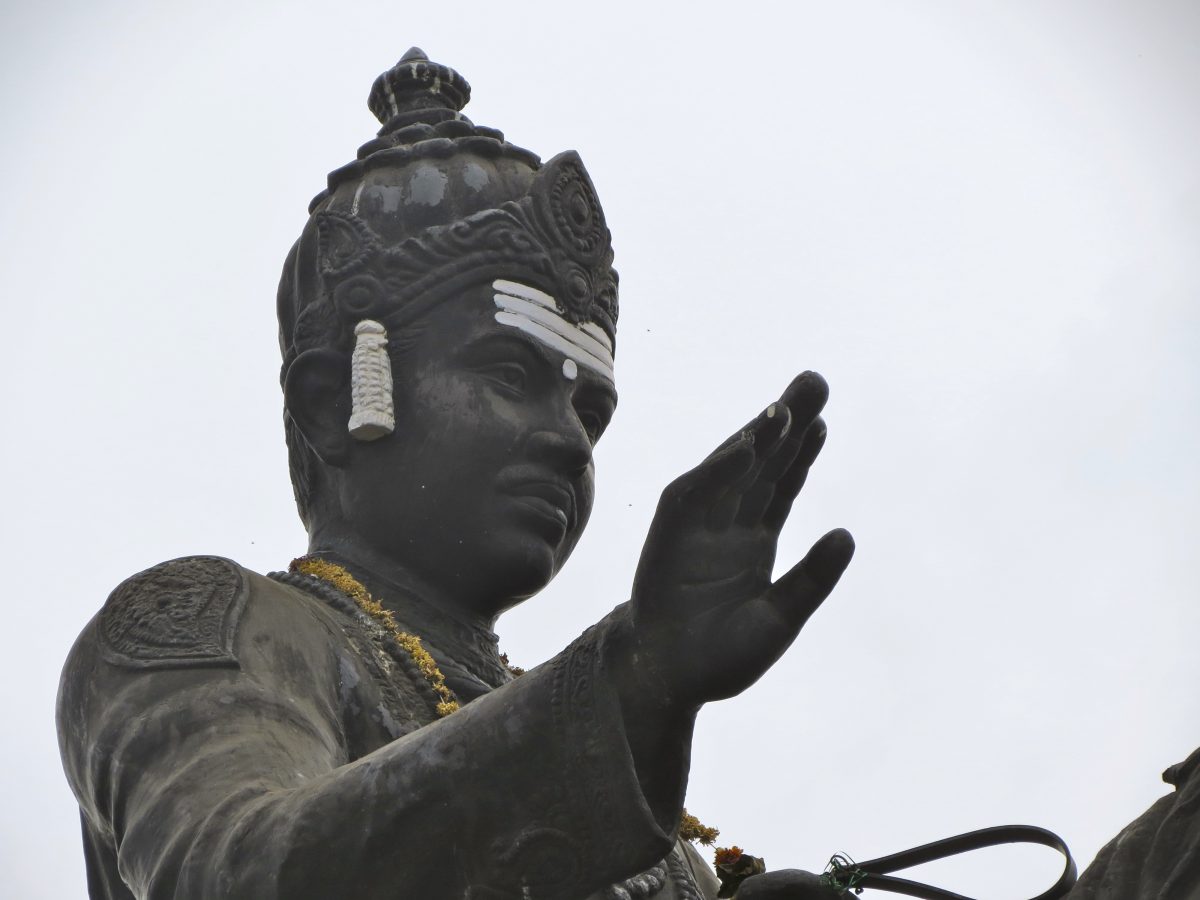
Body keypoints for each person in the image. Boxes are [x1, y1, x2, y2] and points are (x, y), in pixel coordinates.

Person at [56, 49, 856, 899]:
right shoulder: (208, 625)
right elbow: (240, 876)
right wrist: (637, 673)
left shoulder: (616, 757)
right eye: (511, 378)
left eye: (590, 416)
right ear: (336, 402)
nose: (571, 445)